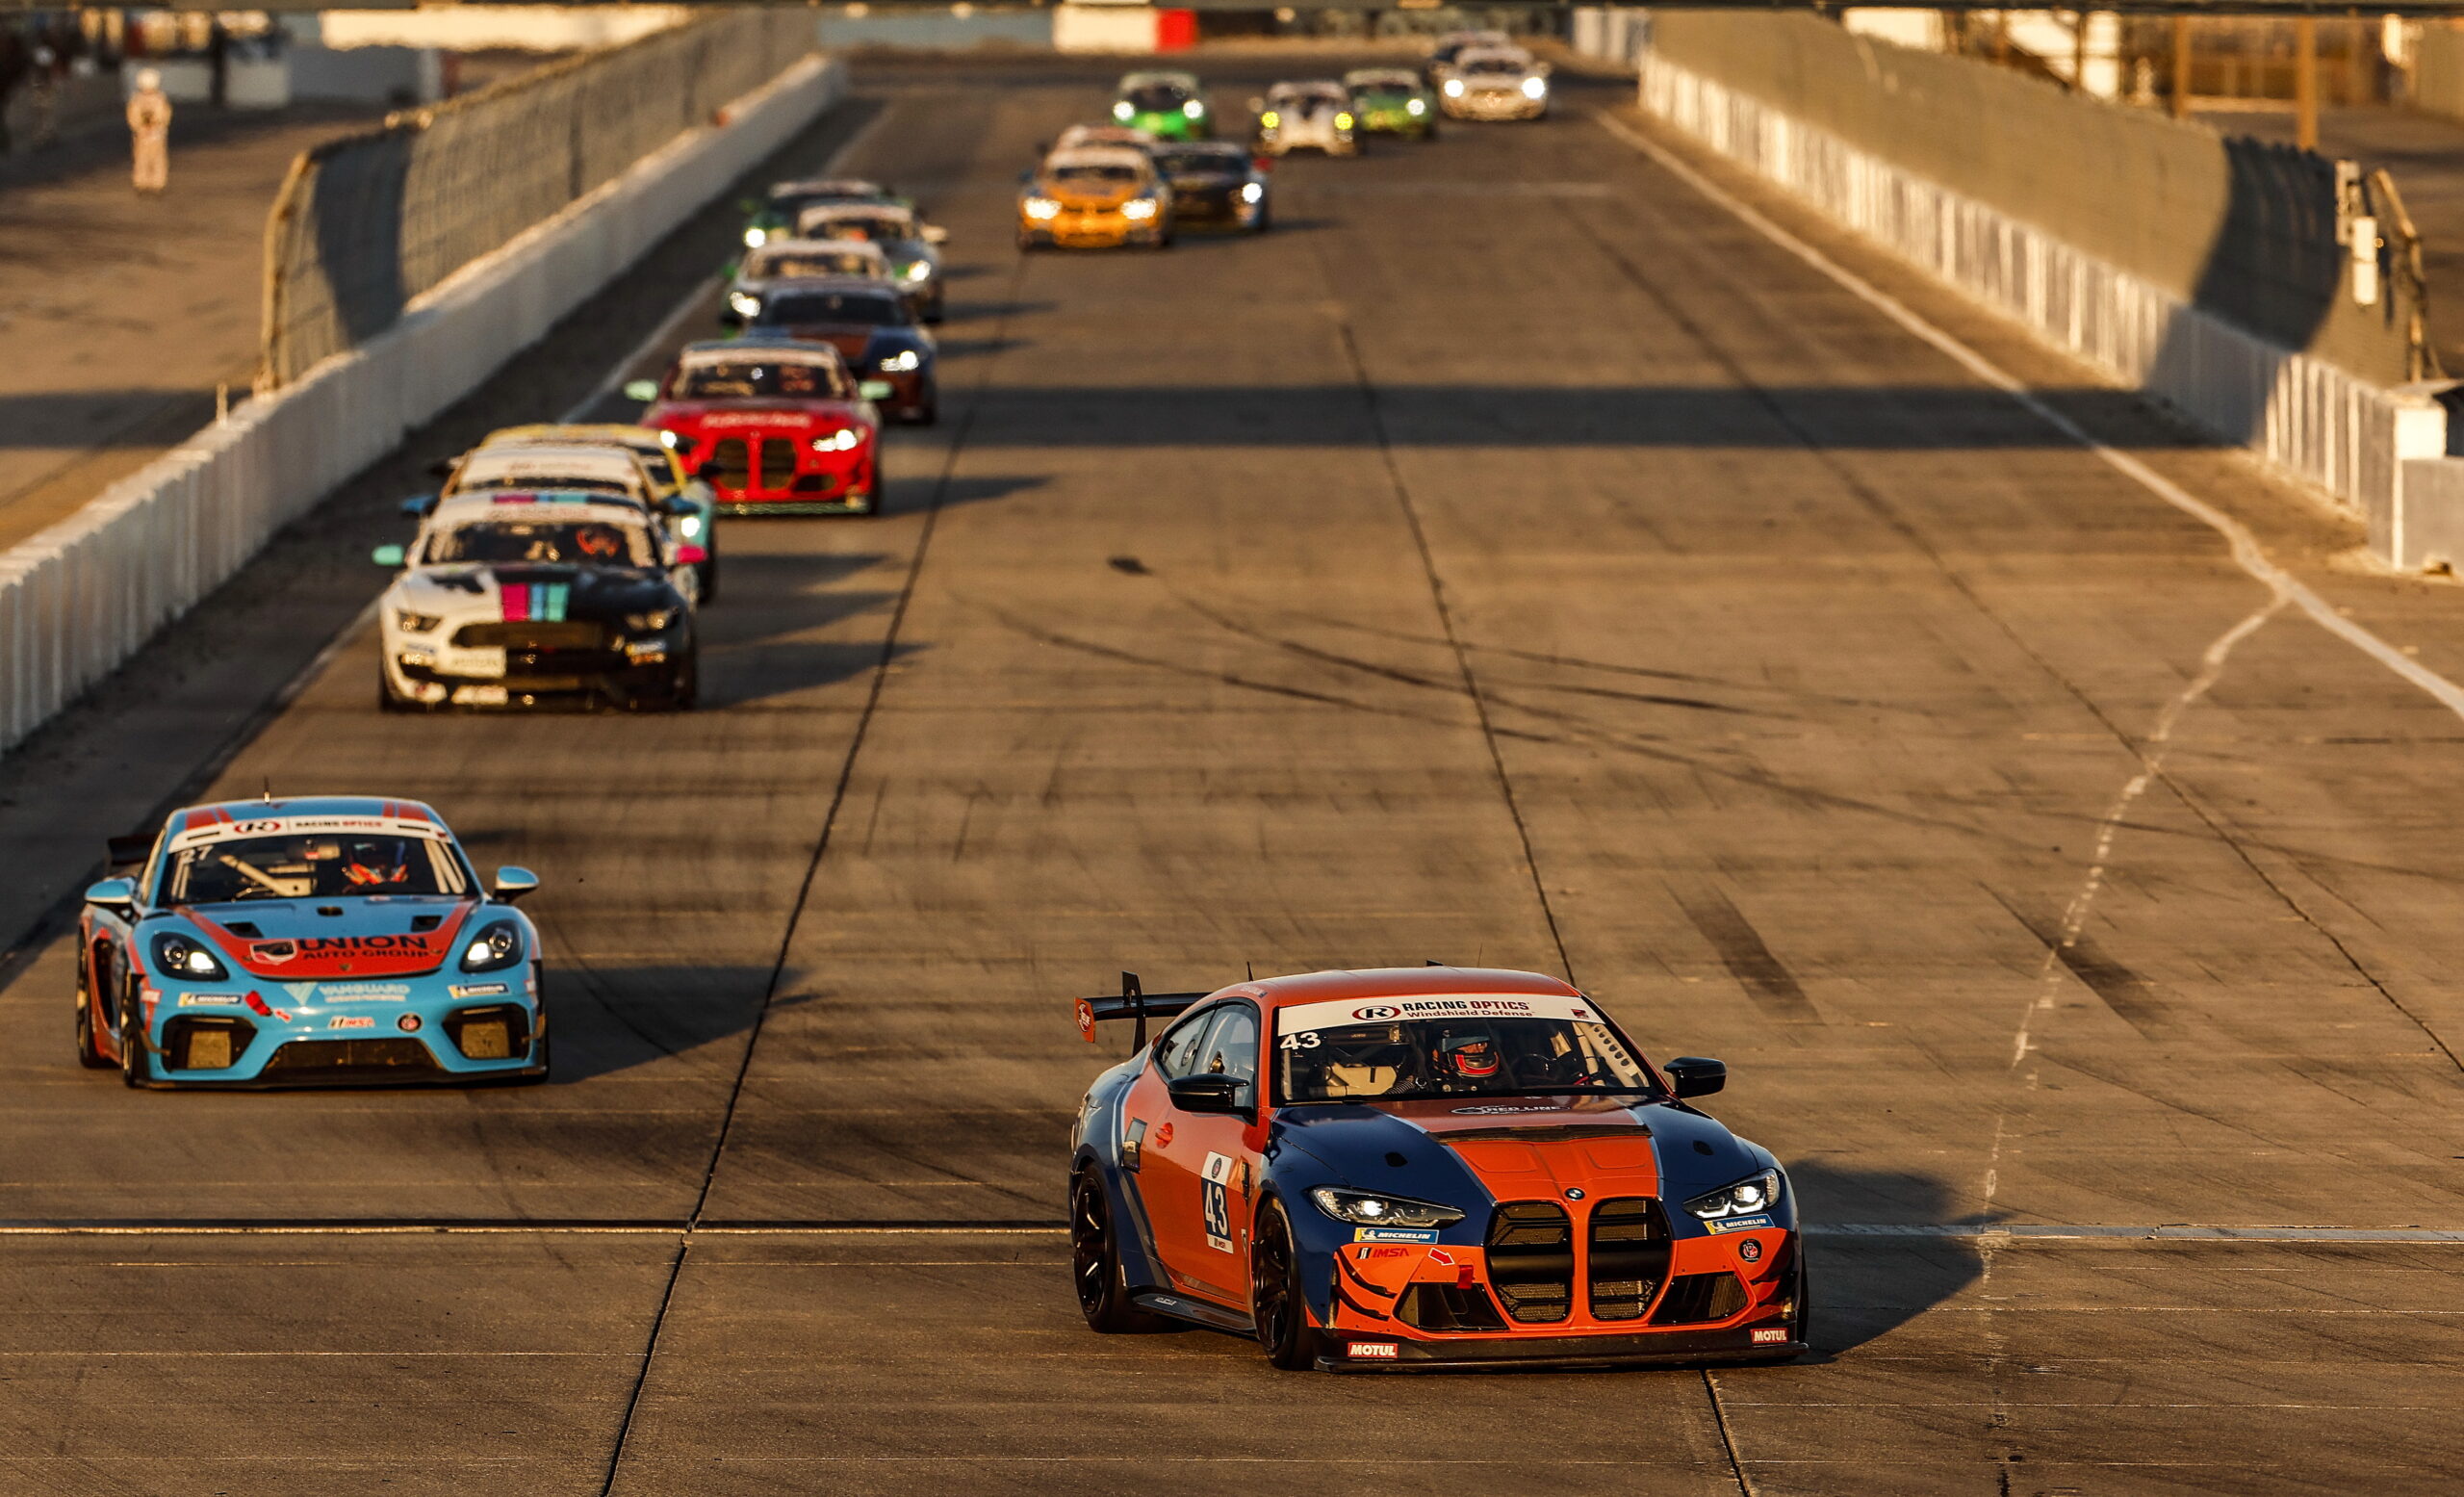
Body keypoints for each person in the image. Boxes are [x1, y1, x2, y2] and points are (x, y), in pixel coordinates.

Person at [126, 66, 170, 195]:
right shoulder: (138, 99)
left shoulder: (159, 99)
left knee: (157, 159)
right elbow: (133, 116)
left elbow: (164, 116)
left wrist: (157, 126)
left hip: (155, 134)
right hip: (144, 134)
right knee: (142, 159)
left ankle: (157, 182)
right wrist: (140, 127)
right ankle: (142, 182)